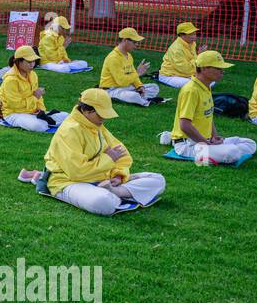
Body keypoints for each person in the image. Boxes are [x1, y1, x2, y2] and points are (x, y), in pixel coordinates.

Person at [30, 88, 166, 215]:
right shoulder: (70, 131)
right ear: (86, 111)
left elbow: (122, 156)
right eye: (101, 114)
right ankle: (118, 194)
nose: (104, 118)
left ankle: (116, 192)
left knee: (158, 180)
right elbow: (76, 172)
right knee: (103, 202)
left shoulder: (97, 126)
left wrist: (118, 176)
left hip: (104, 180)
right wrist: (108, 159)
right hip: (69, 182)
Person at [164, 50, 257, 164]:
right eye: (218, 68)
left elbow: (208, 115)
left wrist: (214, 136)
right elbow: (184, 125)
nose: (222, 71)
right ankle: (217, 152)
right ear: (203, 69)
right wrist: (206, 143)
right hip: (188, 145)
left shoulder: (205, 86)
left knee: (250, 143)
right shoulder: (191, 90)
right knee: (233, 152)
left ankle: (218, 151)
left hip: (205, 140)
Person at [0, 45, 69, 132]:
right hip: (14, 113)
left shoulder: (33, 75)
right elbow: (14, 105)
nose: (32, 64)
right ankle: (46, 121)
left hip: (32, 111)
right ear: (18, 62)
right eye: (29, 62)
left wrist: (41, 111)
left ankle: (45, 119)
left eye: (34, 61)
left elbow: (39, 97)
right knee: (40, 126)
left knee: (66, 116)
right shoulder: (10, 80)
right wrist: (35, 98)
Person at [100, 28, 160, 105]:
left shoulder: (129, 56)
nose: (136, 45)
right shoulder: (113, 58)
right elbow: (121, 81)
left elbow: (132, 74)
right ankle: (144, 100)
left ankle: (140, 97)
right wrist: (138, 73)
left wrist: (139, 86)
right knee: (133, 96)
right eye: (134, 42)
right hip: (111, 90)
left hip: (125, 87)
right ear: (125, 40)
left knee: (154, 87)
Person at [157, 21, 200, 88]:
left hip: (185, 74)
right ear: (182, 35)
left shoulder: (192, 44)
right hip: (170, 76)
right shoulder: (176, 49)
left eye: (194, 34)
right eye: (191, 34)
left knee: (209, 80)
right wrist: (199, 56)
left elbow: (191, 65)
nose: (194, 36)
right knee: (197, 84)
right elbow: (186, 69)